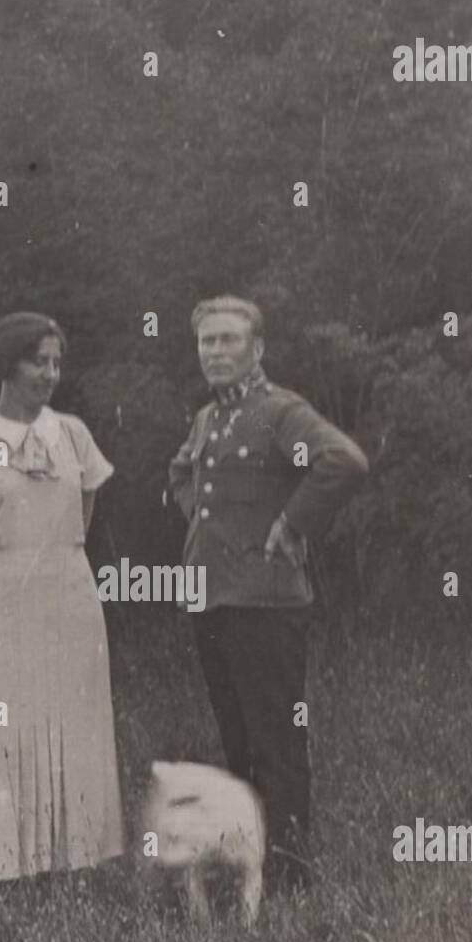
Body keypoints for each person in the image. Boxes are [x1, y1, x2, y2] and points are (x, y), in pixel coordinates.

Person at [168, 295, 369, 890]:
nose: (216, 352)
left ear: (258, 349)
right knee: (238, 739)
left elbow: (344, 460)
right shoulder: (208, 418)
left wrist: (291, 524)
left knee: (276, 741)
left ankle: (291, 876)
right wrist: (211, 531)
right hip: (213, 598)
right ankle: (252, 867)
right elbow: (181, 474)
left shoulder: (280, 411)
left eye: (229, 340)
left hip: (266, 604)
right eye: (207, 341)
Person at [0, 312, 124, 883]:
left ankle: (73, 863)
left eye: (57, 362)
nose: (50, 373)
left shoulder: (74, 435)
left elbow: (77, 523)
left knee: (70, 725)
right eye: (39, 360)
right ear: (7, 364)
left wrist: (48, 576)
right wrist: (2, 589)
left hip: (66, 604)